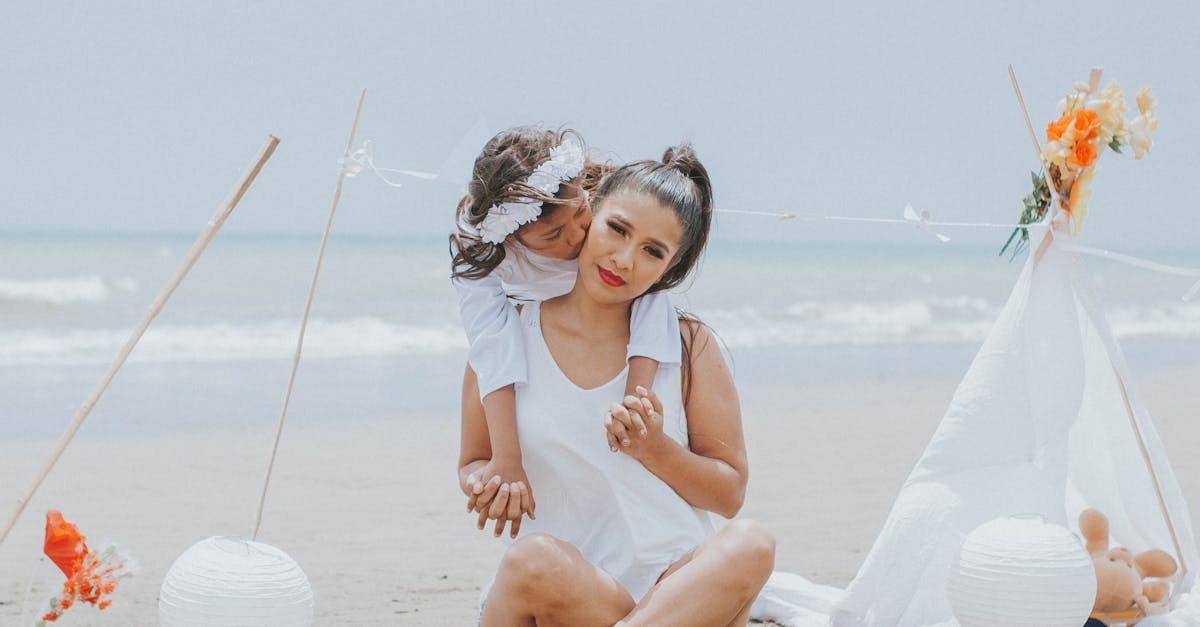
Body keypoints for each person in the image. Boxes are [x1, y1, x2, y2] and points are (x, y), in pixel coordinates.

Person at [458, 144, 775, 626]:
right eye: (617, 229)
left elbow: (729, 495)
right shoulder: (504, 338)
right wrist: (487, 484)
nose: (624, 260)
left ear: (670, 268)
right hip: (565, 594)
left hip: (676, 595)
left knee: (751, 544)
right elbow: (474, 460)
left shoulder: (689, 346)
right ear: (589, 212)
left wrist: (653, 448)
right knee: (532, 559)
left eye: (653, 251)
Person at [450, 127, 681, 534]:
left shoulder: (591, 196)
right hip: (547, 326)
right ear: (515, 238)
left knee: (654, 294)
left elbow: (649, 295)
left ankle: (634, 406)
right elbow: (492, 342)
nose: (578, 238)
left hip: (611, 312)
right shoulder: (483, 253)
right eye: (554, 236)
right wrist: (507, 457)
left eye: (581, 216)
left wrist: (634, 400)